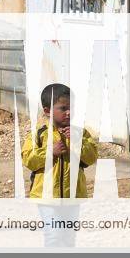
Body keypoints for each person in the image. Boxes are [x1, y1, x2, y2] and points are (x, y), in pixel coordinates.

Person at [21, 83, 98, 248]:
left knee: (69, 239)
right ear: (48, 111)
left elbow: (91, 157)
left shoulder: (80, 133)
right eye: (63, 108)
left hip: (72, 197)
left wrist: (77, 143)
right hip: (47, 198)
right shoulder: (39, 134)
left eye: (72, 108)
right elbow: (28, 159)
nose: (69, 112)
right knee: (54, 237)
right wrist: (50, 152)